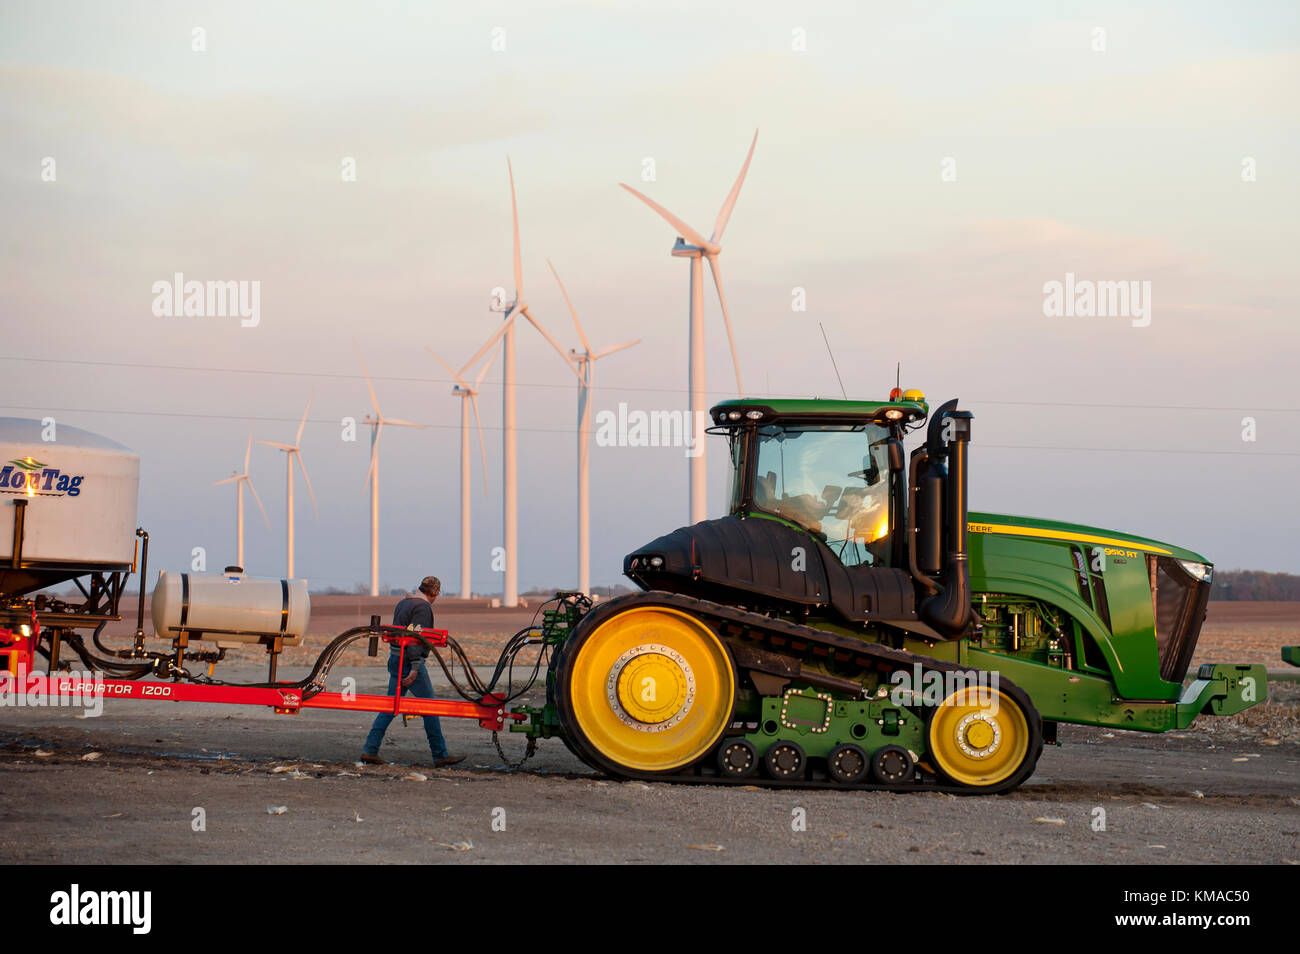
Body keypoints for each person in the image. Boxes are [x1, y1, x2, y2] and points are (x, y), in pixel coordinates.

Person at [360, 576, 465, 767]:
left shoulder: (403, 603)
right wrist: (416, 667)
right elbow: (416, 637)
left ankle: (370, 749)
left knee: (391, 706)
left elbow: (403, 633)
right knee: (430, 707)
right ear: (434, 593)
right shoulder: (423, 608)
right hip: (409, 662)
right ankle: (440, 754)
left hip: (395, 658)